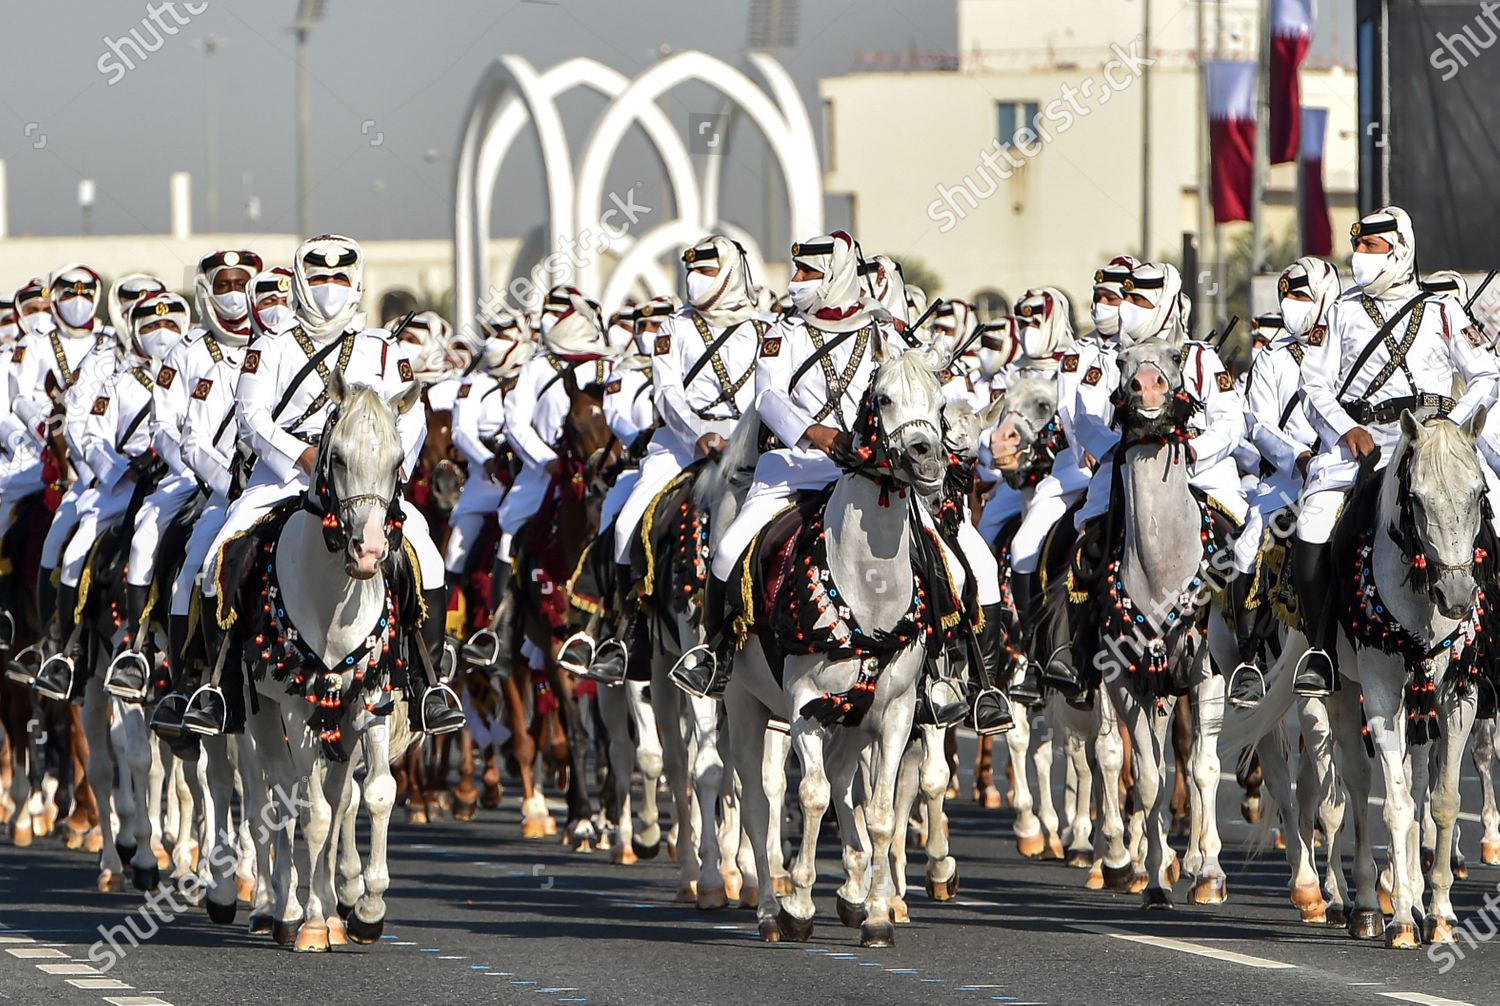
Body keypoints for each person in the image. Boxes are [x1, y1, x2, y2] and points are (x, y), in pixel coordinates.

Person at [200, 235, 463, 734]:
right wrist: (302, 455)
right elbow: (251, 417)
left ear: (356, 283)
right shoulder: (271, 345)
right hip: (284, 479)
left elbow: (411, 417)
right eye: (318, 278)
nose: (329, 288)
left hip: (364, 484)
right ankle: (219, 688)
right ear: (301, 281)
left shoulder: (382, 348)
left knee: (425, 554)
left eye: (340, 279)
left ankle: (427, 683)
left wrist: (382, 469)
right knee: (219, 554)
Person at [1293, 207, 1498, 696]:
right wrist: (1345, 429)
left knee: (1494, 514)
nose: (1359, 257)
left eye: (1371, 248)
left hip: (1433, 444)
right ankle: (1320, 651)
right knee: (1312, 523)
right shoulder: (1339, 311)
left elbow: (1487, 374)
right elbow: (1313, 386)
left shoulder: (1443, 311)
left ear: (1400, 250)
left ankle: (1486, 650)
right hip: (1365, 444)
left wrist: (1452, 423)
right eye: (1358, 247)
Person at [1049, 261, 1247, 692]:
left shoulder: (1199, 356)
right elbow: (1085, 417)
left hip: (1200, 471)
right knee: (1087, 544)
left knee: (1242, 543)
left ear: (1163, 304)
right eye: (1128, 300)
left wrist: (1193, 451)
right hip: (1128, 469)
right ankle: (1077, 653)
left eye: (1140, 301)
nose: (1129, 310)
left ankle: (1245, 651)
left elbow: (1231, 421)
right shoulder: (1113, 359)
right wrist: (1117, 453)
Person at [152, 272, 291, 736]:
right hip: (234, 492)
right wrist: (227, 482)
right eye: (265, 298)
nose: (274, 306)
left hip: (302, 487)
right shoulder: (211, 372)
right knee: (196, 566)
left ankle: (413, 670)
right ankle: (195, 683)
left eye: (282, 298)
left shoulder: (302, 358)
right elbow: (191, 440)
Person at [1225, 257, 1337, 708]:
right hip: (1290, 480)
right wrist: (1300, 456)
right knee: (1247, 544)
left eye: (1301, 296)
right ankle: (1249, 662)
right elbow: (1260, 426)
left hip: (1343, 468)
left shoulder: (1345, 344)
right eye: (1286, 297)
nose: (1291, 306)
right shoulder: (1272, 358)